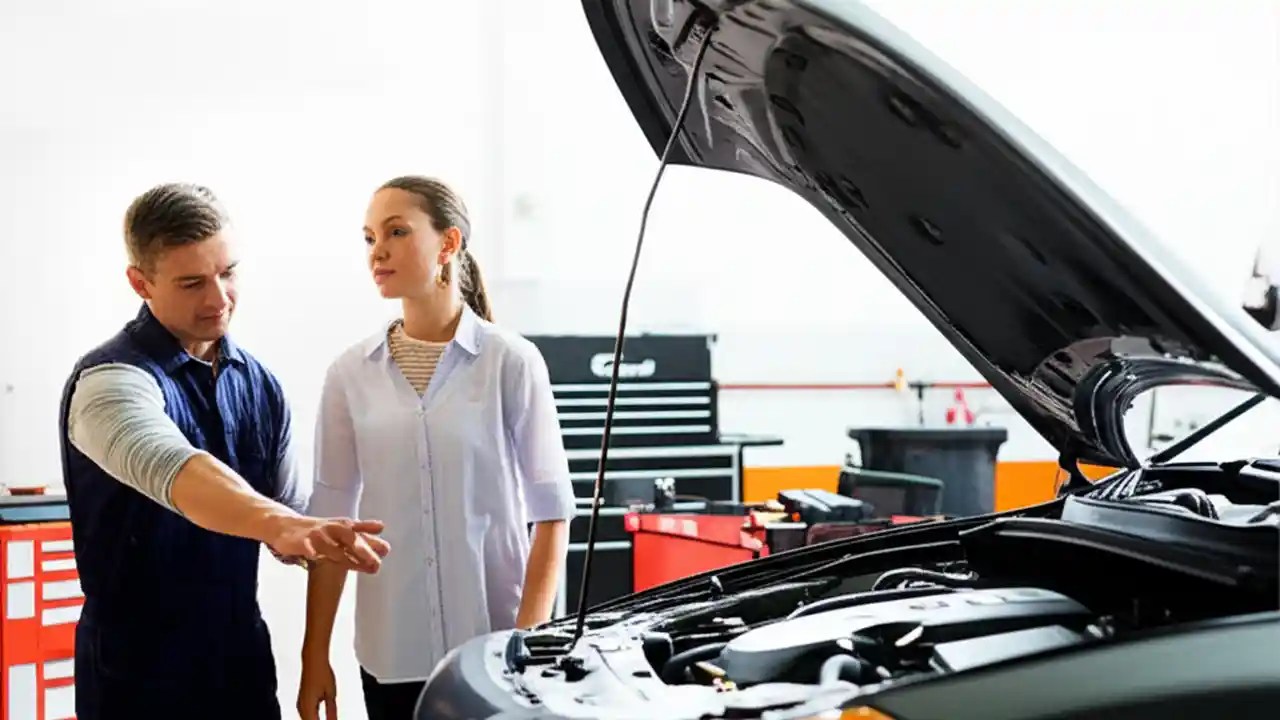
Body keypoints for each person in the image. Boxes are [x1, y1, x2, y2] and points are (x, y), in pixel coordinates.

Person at [58, 182, 392, 720]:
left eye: (228, 273)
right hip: (135, 680)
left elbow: (294, 527)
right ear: (139, 282)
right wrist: (281, 523)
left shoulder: (261, 386)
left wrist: (327, 534)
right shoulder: (107, 384)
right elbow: (175, 468)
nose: (218, 299)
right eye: (192, 283)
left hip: (242, 670)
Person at [297, 176, 576, 720]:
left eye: (397, 232)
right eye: (369, 237)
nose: (378, 250)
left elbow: (553, 515)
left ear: (448, 244)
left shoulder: (511, 362)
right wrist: (314, 656)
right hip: (390, 651)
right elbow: (332, 525)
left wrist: (525, 643)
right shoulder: (349, 374)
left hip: (493, 652)